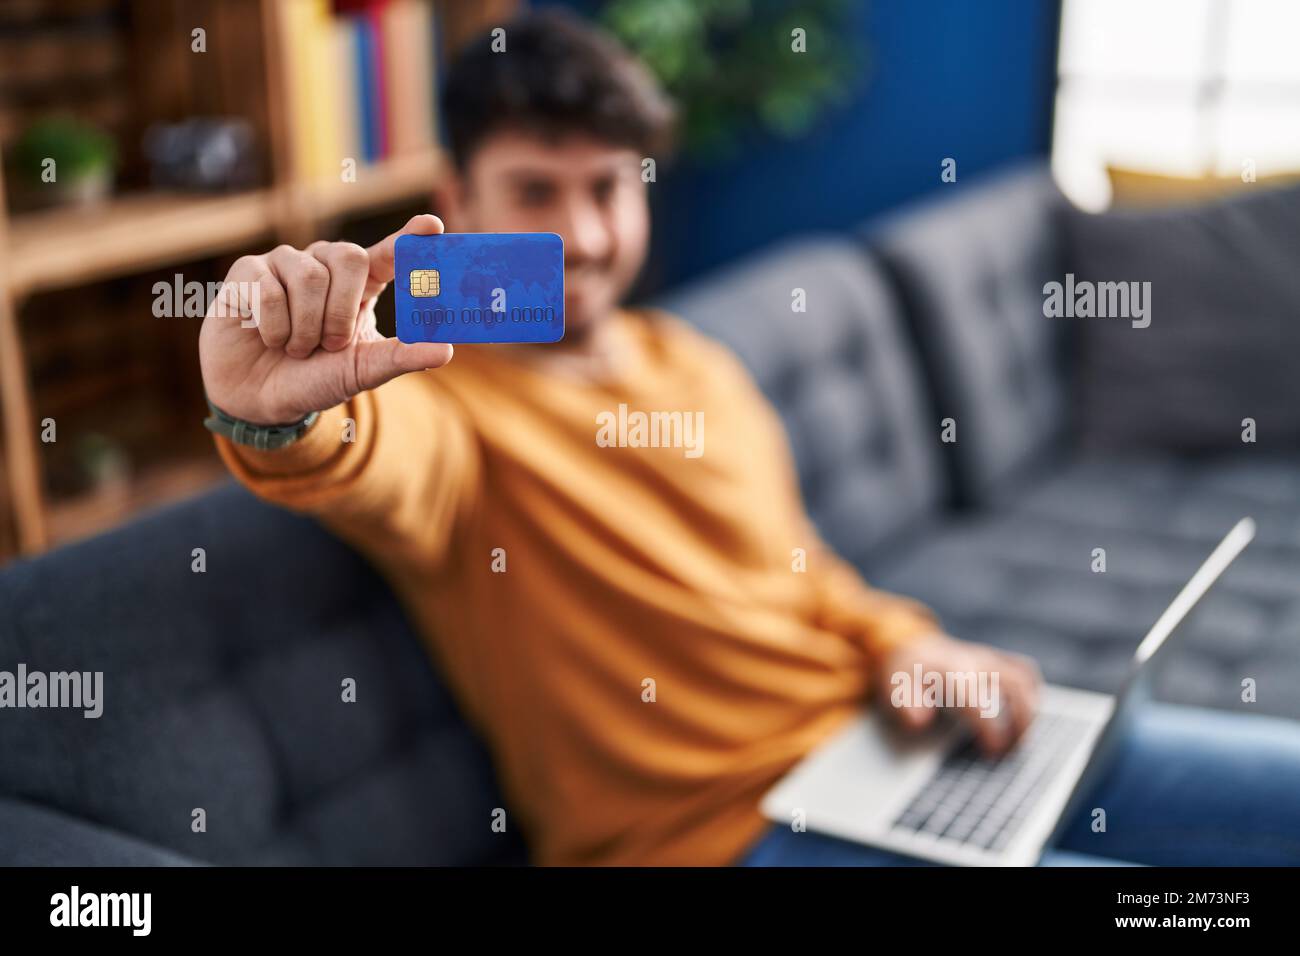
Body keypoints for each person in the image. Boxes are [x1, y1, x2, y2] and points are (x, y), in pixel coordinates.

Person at [199, 10, 1300, 867]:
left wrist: (910, 641)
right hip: (729, 837)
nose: (584, 235)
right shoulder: (444, 400)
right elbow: (362, 459)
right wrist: (276, 408)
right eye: (536, 191)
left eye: (608, 190)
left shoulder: (697, 363)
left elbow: (800, 571)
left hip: (887, 737)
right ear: (457, 199)